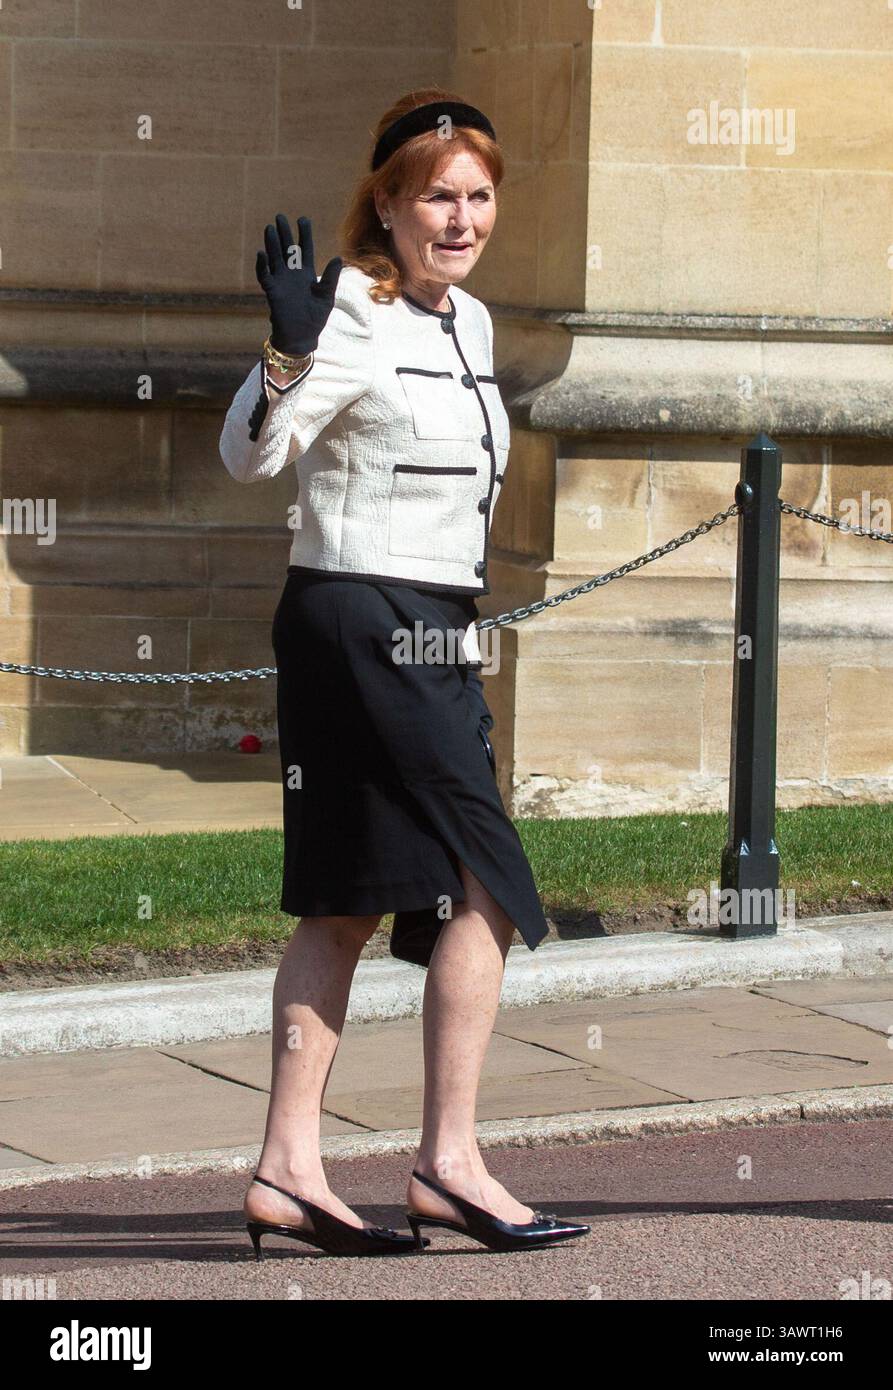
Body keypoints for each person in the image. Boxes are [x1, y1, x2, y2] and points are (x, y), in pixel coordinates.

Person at [219, 88, 589, 1257]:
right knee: (486, 877)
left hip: (421, 619)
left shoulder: (469, 324)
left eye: (477, 196)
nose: (460, 217)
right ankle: (450, 1161)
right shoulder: (351, 313)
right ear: (384, 202)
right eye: (436, 194)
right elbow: (246, 456)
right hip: (361, 615)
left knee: (345, 894)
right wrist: (283, 351)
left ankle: (287, 1170)